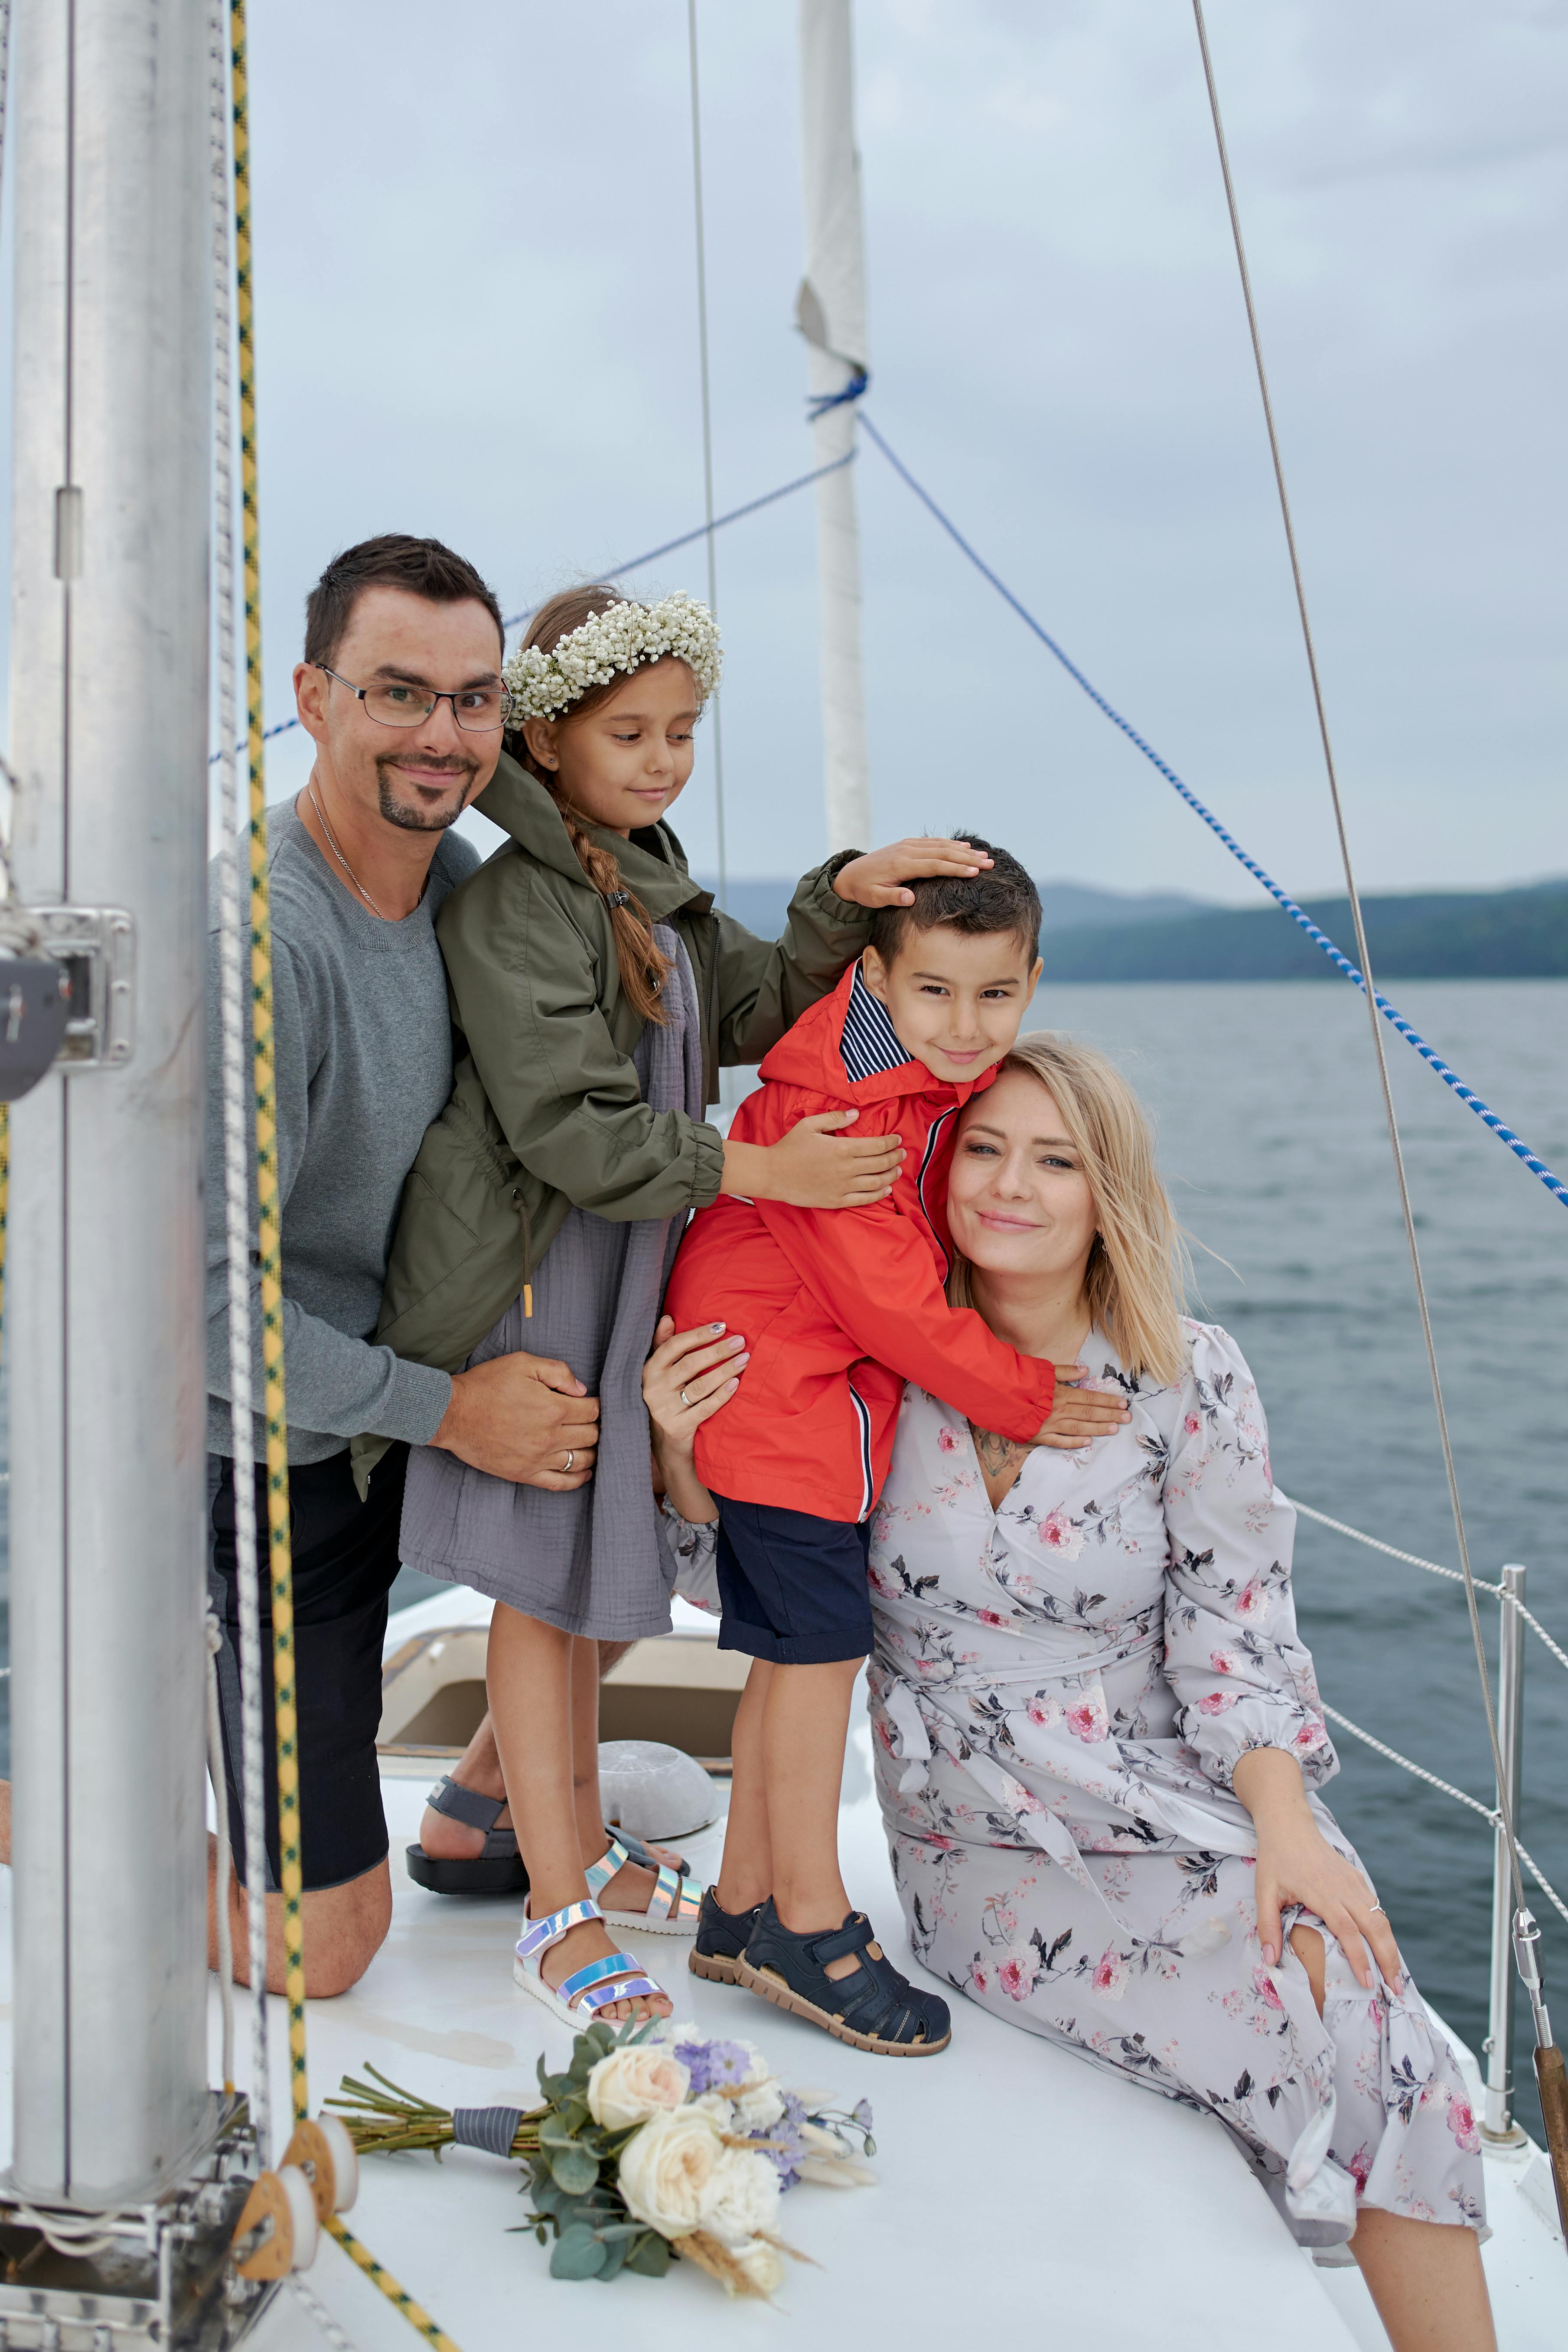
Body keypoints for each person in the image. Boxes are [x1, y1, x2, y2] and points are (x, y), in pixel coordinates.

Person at [650, 1032, 1494, 2352]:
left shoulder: (1184, 1375)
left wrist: (1284, 1826)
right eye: (981, 1148)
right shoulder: (865, 1357)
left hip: (1170, 1783)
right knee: (1289, 2009)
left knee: (1364, 2008)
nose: (1006, 1184)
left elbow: (1237, 1636)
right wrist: (678, 1447)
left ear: (1108, 1191)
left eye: (1053, 1159)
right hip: (975, 1833)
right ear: (933, 1173)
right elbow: (744, 1589)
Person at [377, 582, 997, 2028]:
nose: (661, 760)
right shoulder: (520, 903)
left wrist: (840, 904)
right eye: (628, 733)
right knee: (543, 1574)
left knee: (607, 1550)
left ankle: (490, 1823)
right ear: (543, 742)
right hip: (539, 1266)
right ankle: (553, 1908)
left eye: (682, 732)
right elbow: (568, 1129)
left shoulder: (637, 873)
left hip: (626, 1253)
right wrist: (760, 1160)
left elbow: (753, 1008)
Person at [202, 534, 608, 2000]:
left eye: (474, 699)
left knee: (657, 1463)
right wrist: (448, 1408)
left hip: (390, 1404)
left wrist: (862, 933)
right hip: (259, 1455)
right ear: (312, 696)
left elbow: (655, 979)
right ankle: (76, 1809)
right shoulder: (259, 942)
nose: (441, 733)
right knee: (318, 1952)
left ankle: (484, 1802)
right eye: (397, 692)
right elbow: (193, 1316)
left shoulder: (474, 899)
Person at [656, 854, 1132, 2053]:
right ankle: (814, 1928)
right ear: (872, 975)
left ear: (1031, 982)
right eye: (933, 992)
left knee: (782, 1657)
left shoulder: (904, 1076)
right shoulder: (847, 1110)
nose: (965, 1028)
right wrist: (1026, 1395)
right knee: (820, 1657)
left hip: (789, 1399)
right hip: (781, 1402)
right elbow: (896, 1314)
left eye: (994, 997)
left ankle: (736, 1905)